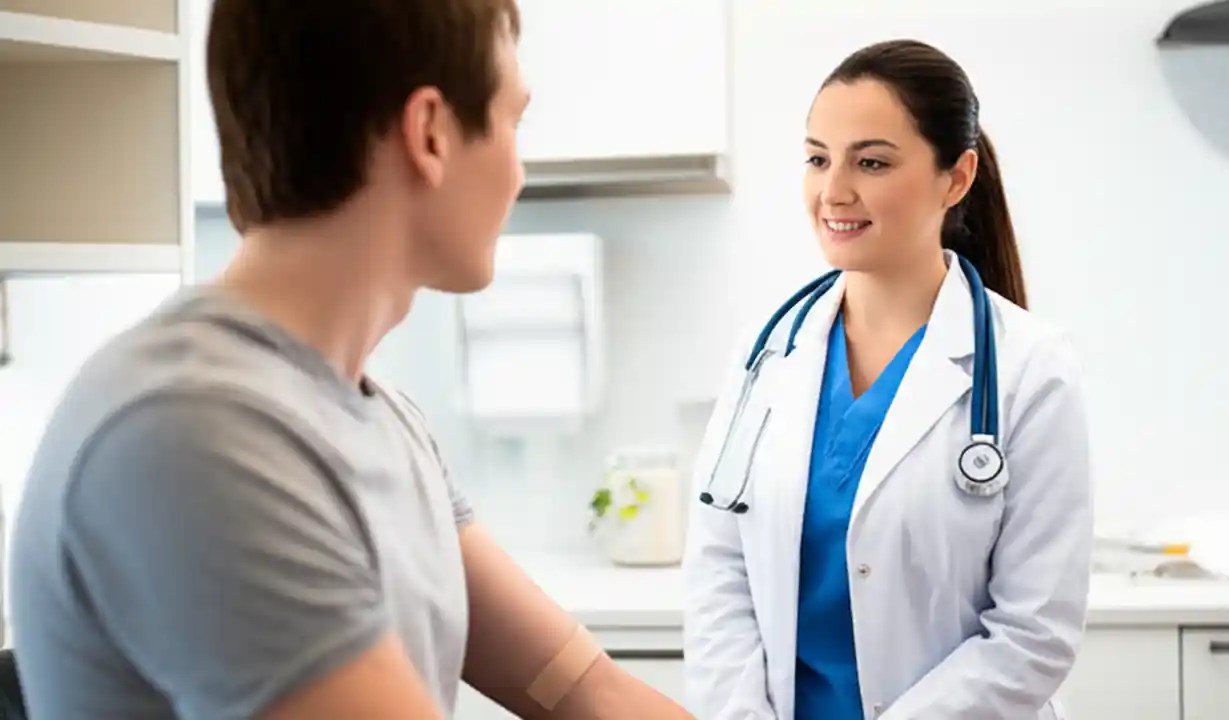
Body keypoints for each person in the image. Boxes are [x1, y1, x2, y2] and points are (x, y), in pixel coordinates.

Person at [8, 1, 692, 718]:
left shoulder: (382, 422)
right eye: (512, 123)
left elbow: (586, 692)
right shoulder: (193, 434)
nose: (518, 174)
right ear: (430, 133)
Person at [682, 39, 1093, 720]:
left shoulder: (1032, 370)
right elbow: (719, 572)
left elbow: (1033, 634)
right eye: (818, 159)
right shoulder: (766, 354)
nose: (833, 191)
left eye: (871, 162)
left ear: (956, 178)